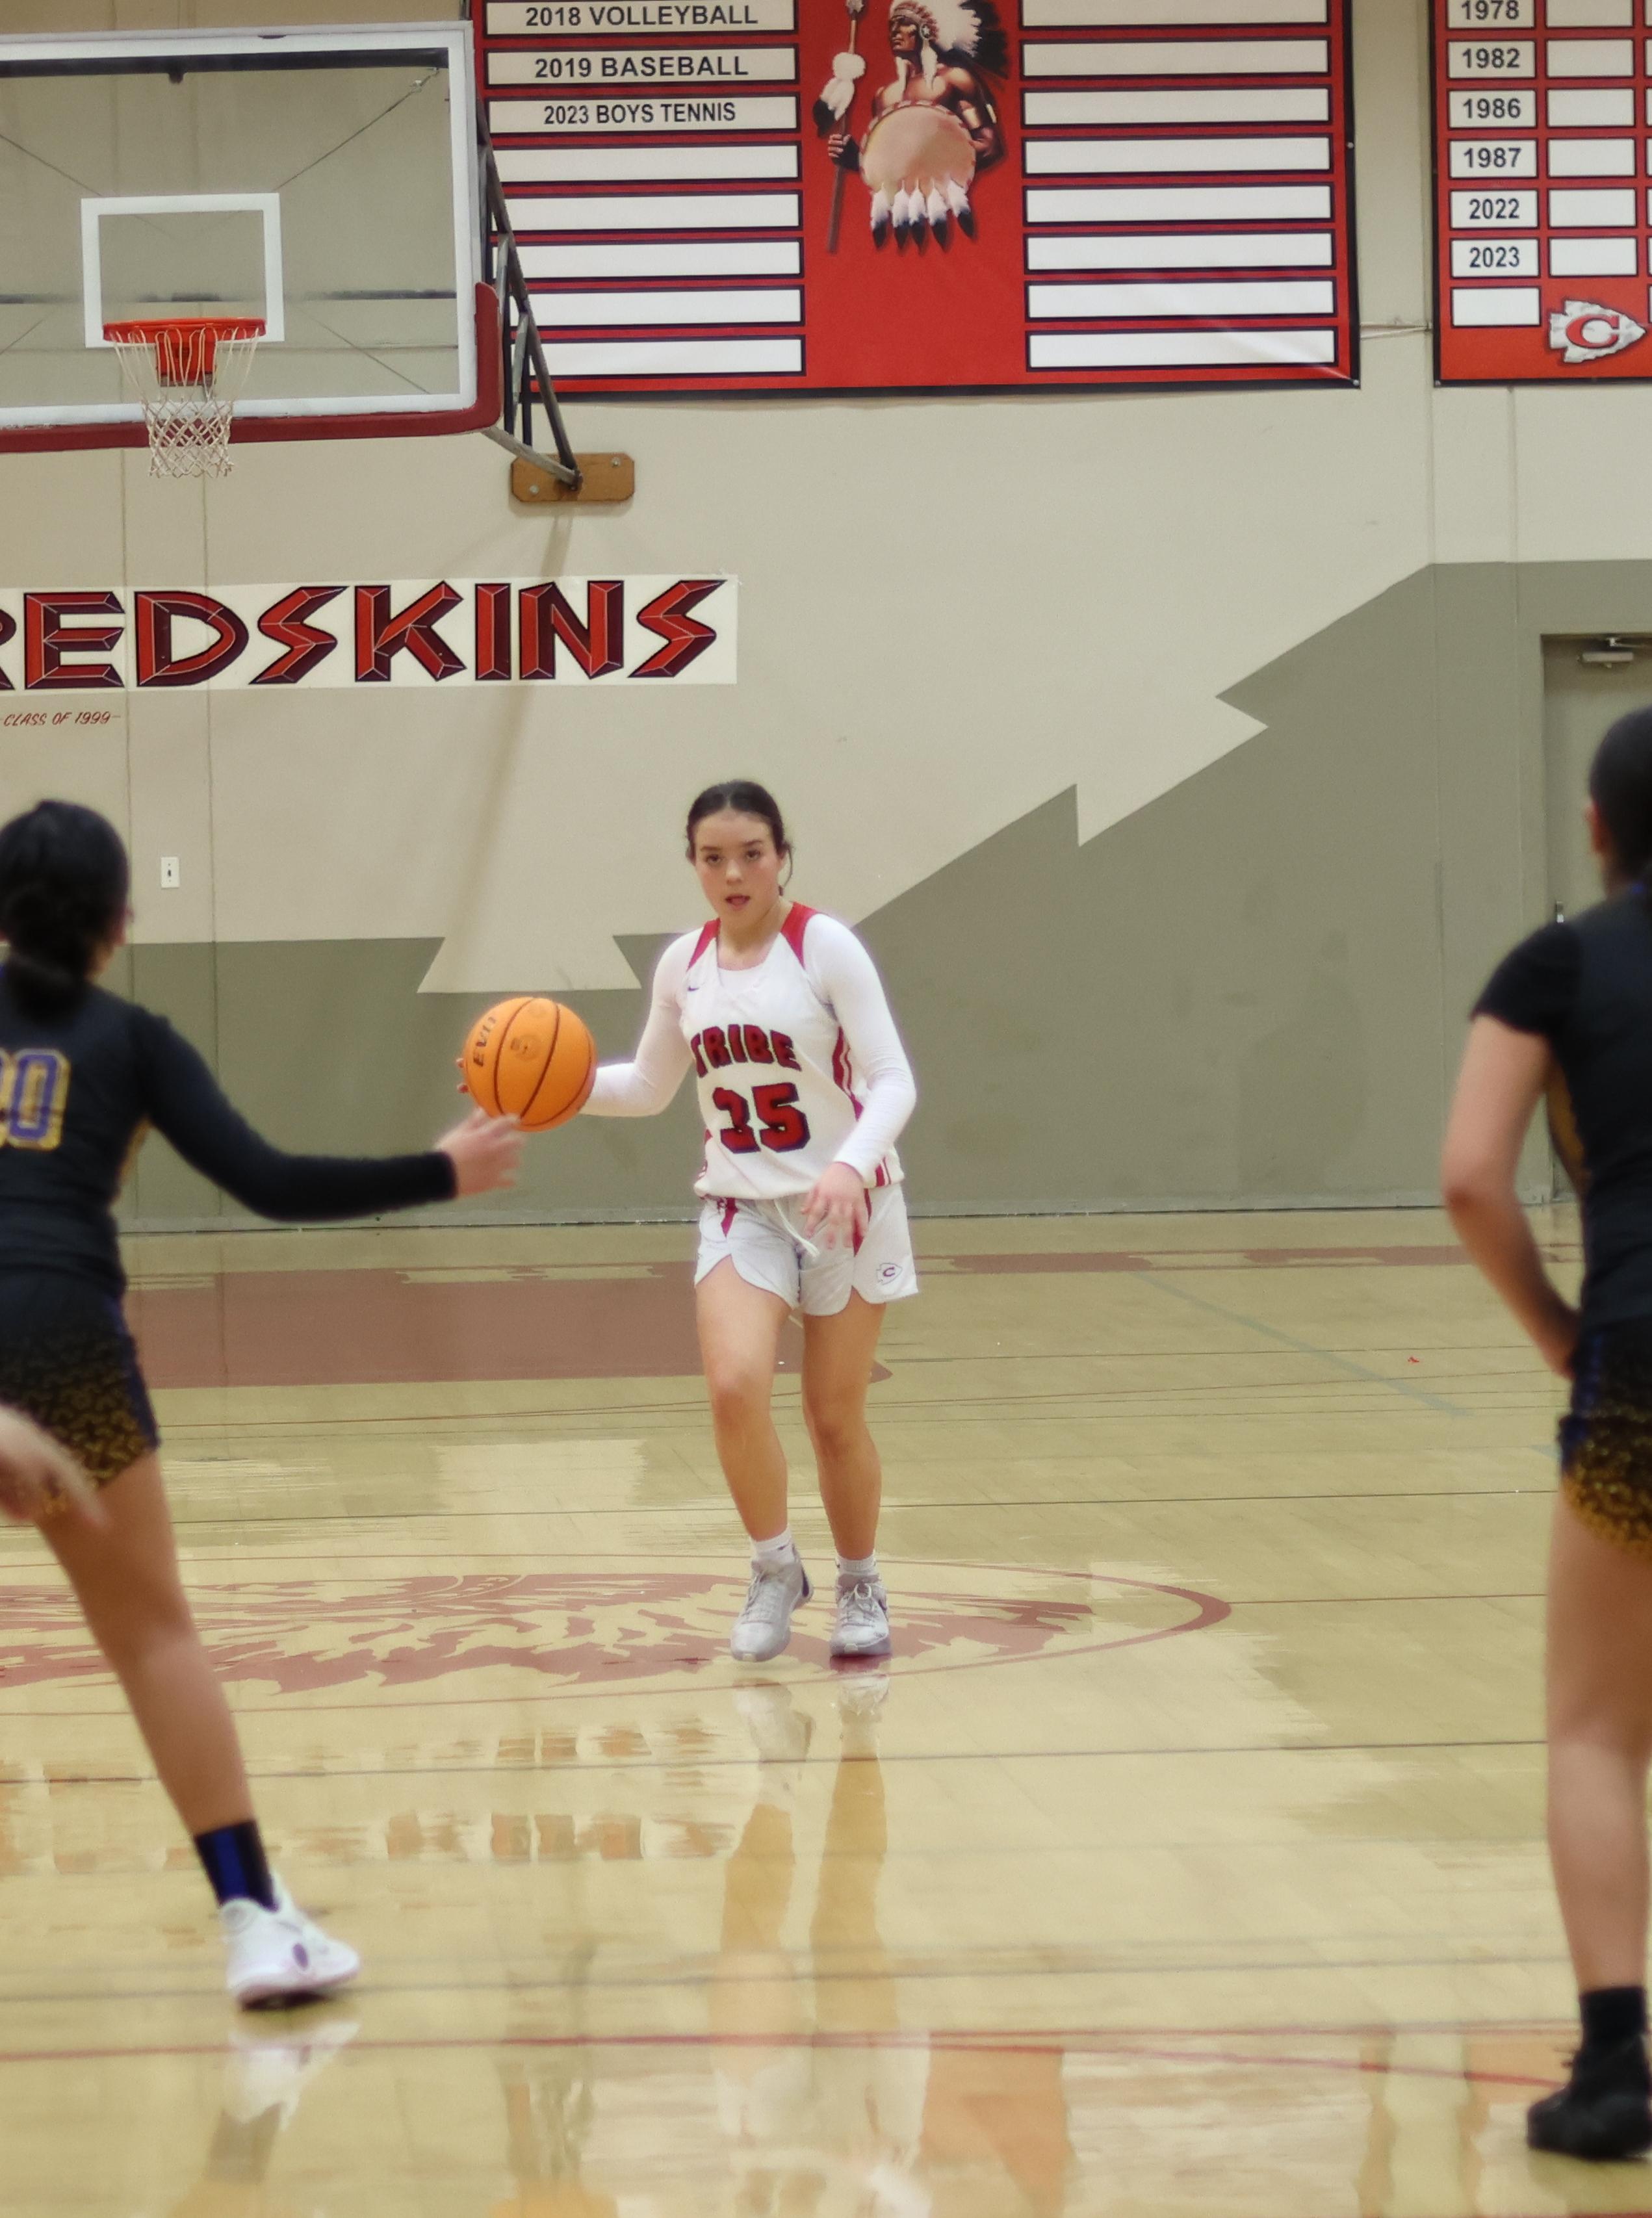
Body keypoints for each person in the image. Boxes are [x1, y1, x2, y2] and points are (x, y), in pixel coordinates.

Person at [0, 799, 521, 2007]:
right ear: (119, 924)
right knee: (153, 1636)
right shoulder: (134, 1040)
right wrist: (442, 1170)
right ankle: (252, 1920)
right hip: (63, 1339)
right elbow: (270, 1182)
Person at [1443, 703, 1652, 2161]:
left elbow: (1471, 1173)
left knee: (1594, 1727)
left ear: (1594, 828)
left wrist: (1557, 1332)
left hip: (1638, 1360)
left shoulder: (1556, 963)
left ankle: (1615, 2068)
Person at [580, 781, 917, 1662]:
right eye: (713, 858)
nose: (733, 873)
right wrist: (546, 1088)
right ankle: (774, 1568)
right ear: (693, 864)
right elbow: (647, 1087)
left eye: (751, 855)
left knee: (833, 1417)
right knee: (734, 1386)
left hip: (849, 1204)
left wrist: (849, 1165)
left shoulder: (823, 947)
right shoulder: (684, 964)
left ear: (781, 857)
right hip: (741, 1206)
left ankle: (860, 1581)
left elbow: (893, 1080)